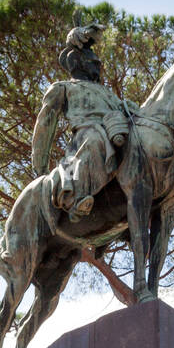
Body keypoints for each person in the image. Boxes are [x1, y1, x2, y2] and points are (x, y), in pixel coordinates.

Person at [31, 19, 132, 223]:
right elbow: (44, 126)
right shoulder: (63, 88)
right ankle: (75, 199)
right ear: (77, 61)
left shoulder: (108, 93)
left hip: (115, 132)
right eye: (91, 58)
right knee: (94, 139)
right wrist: (40, 168)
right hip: (86, 137)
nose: (98, 62)